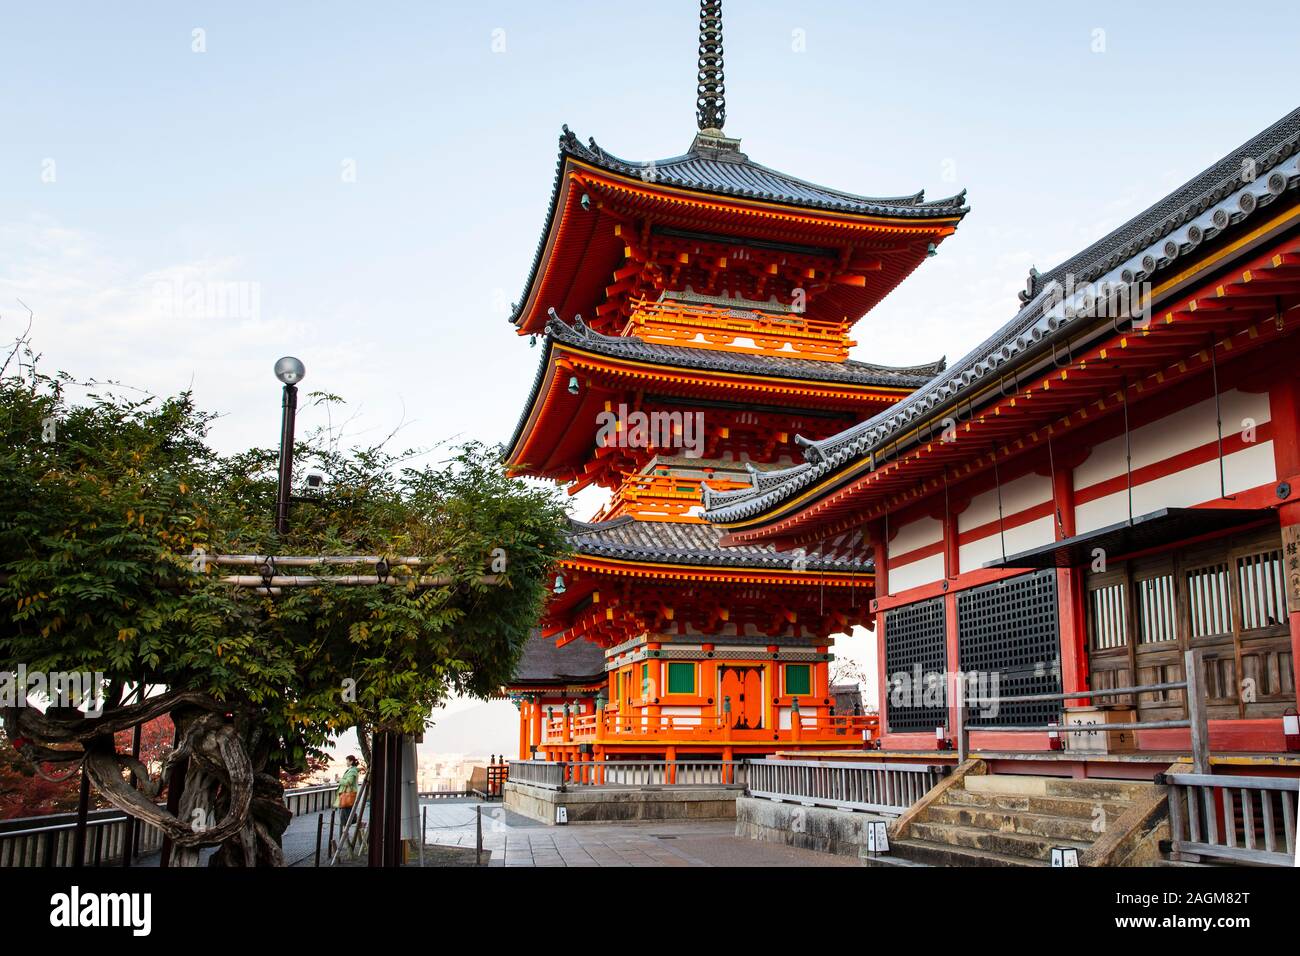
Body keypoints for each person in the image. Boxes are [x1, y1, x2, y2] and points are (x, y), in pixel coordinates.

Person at [336, 755, 361, 827]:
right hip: (347, 794)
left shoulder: (352, 770)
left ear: (351, 761)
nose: (346, 762)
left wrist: (339, 780)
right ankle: (347, 835)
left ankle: (359, 823)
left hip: (348, 794)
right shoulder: (352, 770)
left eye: (347, 761)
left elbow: (348, 782)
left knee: (346, 815)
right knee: (347, 814)